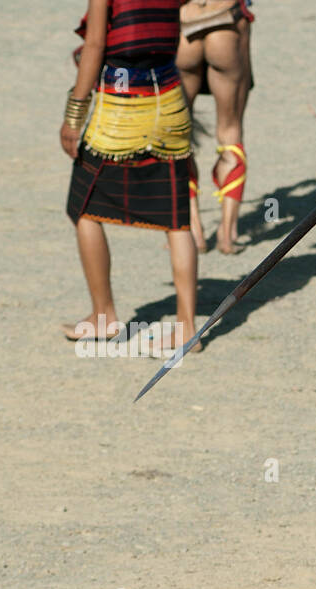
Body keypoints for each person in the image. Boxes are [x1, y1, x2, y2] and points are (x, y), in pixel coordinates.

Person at [63, 0, 197, 349]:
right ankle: (187, 328)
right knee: (177, 221)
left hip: (120, 109)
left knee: (84, 205)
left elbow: (94, 45)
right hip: (170, 101)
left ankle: (102, 315)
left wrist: (74, 114)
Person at [176, 0, 255, 255]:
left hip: (184, 23)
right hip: (226, 21)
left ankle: (193, 230)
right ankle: (227, 234)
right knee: (231, 131)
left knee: (179, 137)